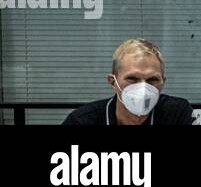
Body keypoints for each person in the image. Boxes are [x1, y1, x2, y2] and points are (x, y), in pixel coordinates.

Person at [62, 38, 194, 125]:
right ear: (113, 81)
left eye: (152, 80)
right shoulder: (83, 121)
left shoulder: (175, 113)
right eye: (132, 79)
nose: (143, 88)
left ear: (163, 82)